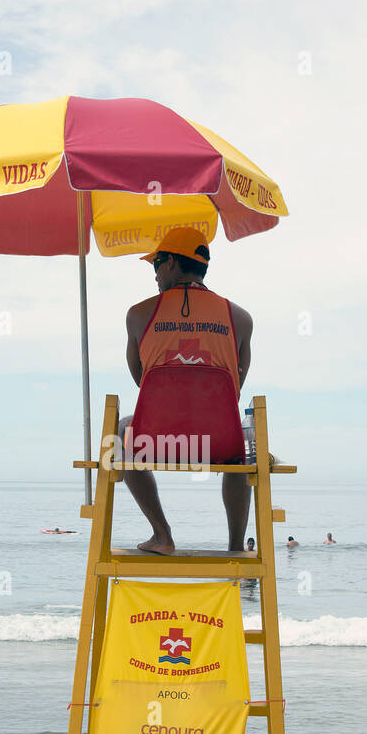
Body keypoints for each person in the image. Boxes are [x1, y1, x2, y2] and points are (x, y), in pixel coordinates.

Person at [120, 229, 253, 554]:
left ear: (168, 265)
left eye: (155, 266)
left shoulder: (138, 315)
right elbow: (236, 386)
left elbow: (142, 381)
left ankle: (162, 534)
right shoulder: (240, 318)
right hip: (221, 443)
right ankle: (236, 545)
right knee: (244, 444)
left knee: (121, 428)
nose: (154, 276)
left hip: (157, 441)